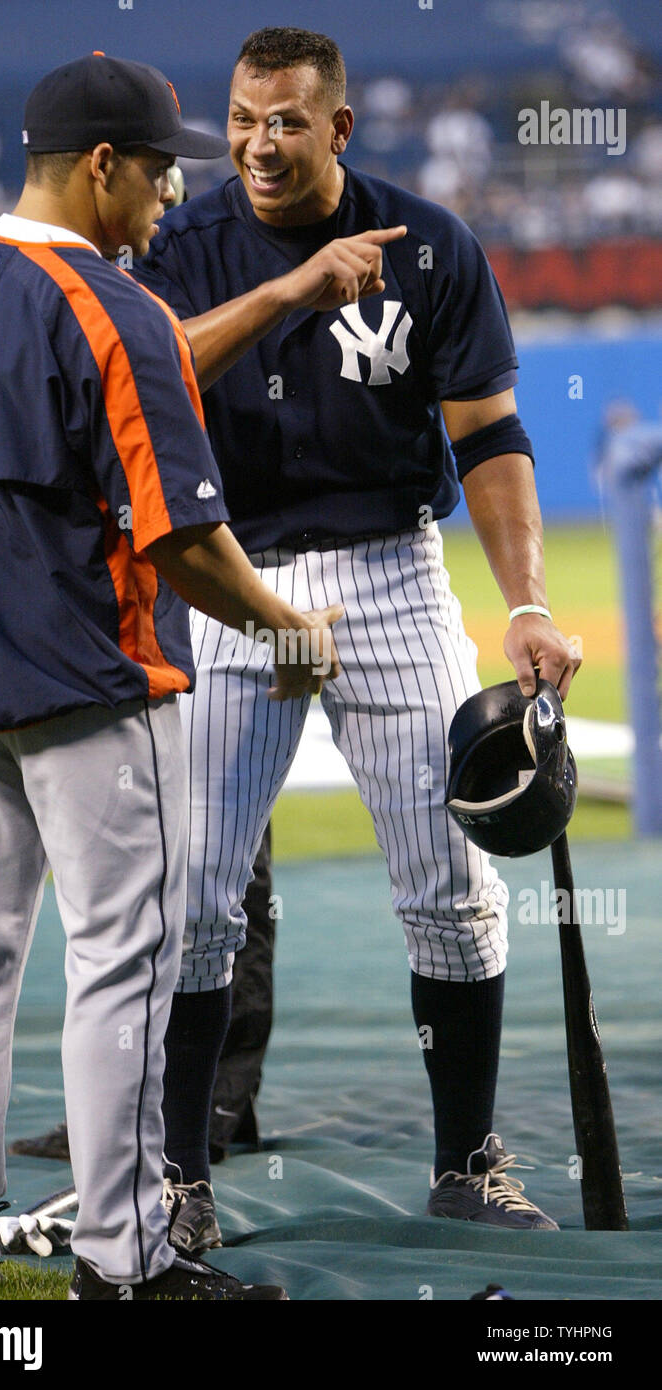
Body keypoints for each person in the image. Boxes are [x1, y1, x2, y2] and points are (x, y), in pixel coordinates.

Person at [0, 52, 354, 1302]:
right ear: (101, 166)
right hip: (91, 691)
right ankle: (129, 1256)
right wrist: (282, 624)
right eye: (156, 173)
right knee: (123, 969)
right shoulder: (119, 310)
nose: (165, 200)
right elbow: (182, 541)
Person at [133, 26, 582, 1249]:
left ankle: (466, 1159)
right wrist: (286, 291)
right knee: (197, 905)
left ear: (338, 128)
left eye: (284, 121)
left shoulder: (431, 245)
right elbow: (153, 375)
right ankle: (177, 1176)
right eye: (240, 118)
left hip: (393, 573)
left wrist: (528, 603)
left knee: (457, 890)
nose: (256, 144)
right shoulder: (180, 246)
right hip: (237, 581)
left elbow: (489, 434)